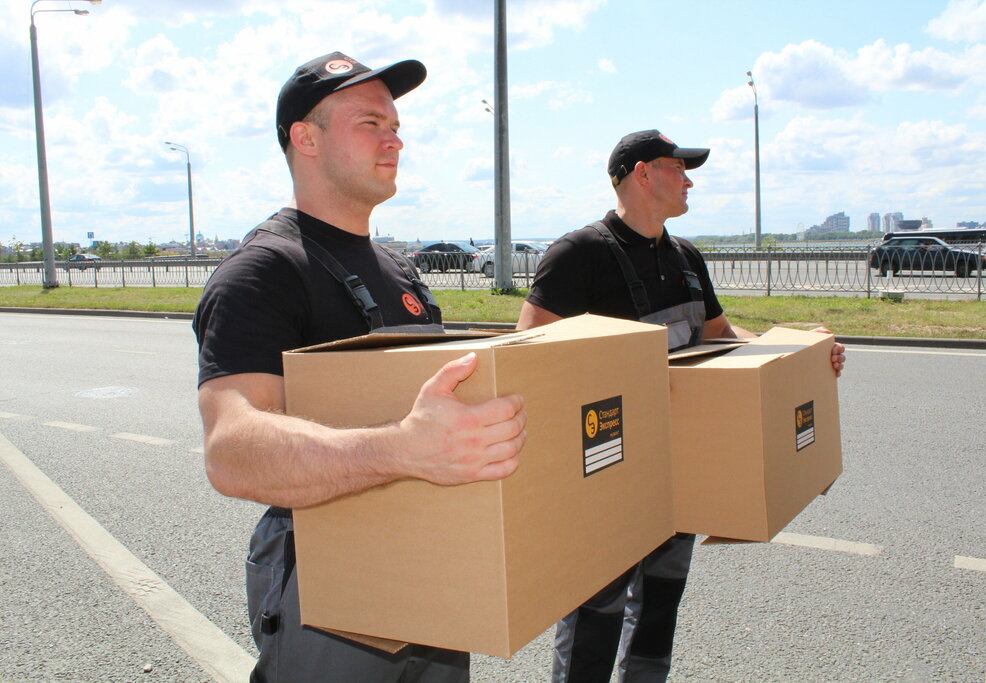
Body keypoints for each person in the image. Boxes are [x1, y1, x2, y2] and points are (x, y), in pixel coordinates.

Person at [193, 51, 528, 683]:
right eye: (370, 122)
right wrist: (400, 451)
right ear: (306, 137)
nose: (394, 136)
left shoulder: (399, 272)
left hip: (428, 563)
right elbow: (231, 449)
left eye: (394, 123)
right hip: (327, 583)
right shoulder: (265, 271)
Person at [517, 129, 845, 683]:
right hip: (607, 475)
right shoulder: (579, 255)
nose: (690, 179)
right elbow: (525, 354)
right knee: (596, 613)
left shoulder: (686, 256)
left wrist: (796, 353)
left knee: (659, 607)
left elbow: (720, 335)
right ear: (642, 173)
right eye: (678, 166)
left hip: (681, 467)